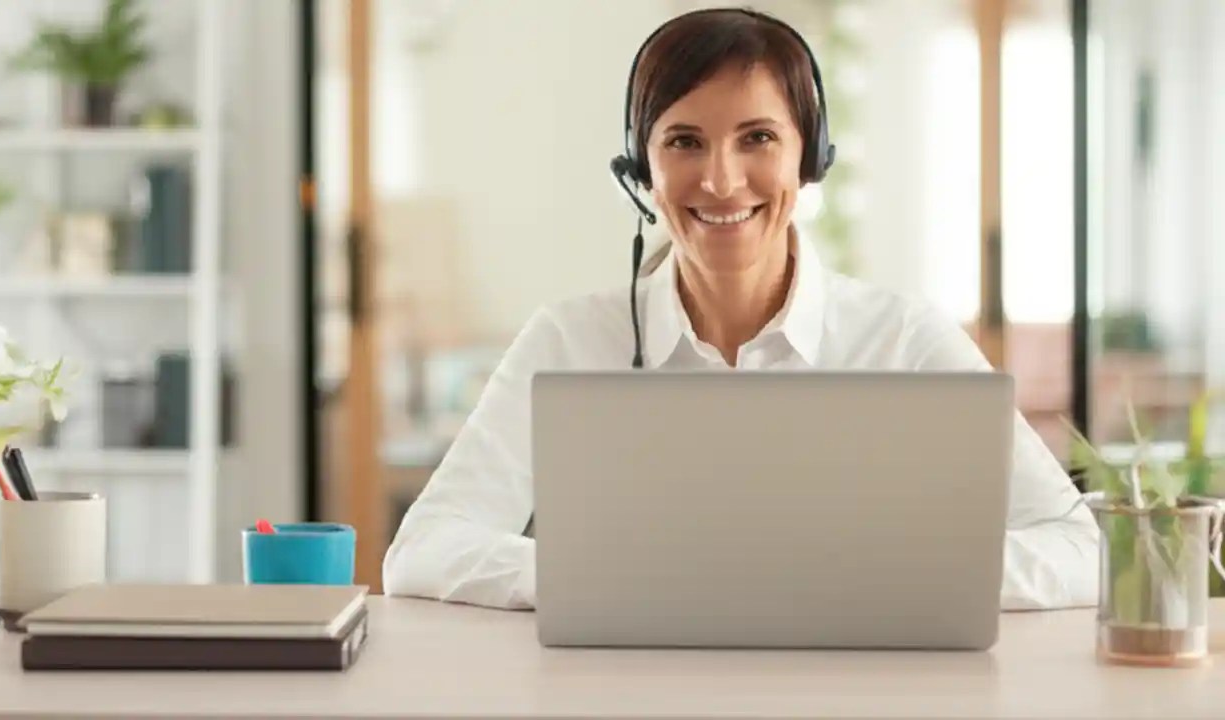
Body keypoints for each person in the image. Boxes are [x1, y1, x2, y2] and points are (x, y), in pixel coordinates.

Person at [383, 7, 1098, 611]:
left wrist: (877, 581)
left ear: (807, 158)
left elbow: (1079, 549)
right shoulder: (568, 340)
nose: (721, 180)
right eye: (684, 142)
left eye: (757, 138)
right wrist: (609, 583)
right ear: (642, 172)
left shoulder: (906, 339)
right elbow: (425, 550)